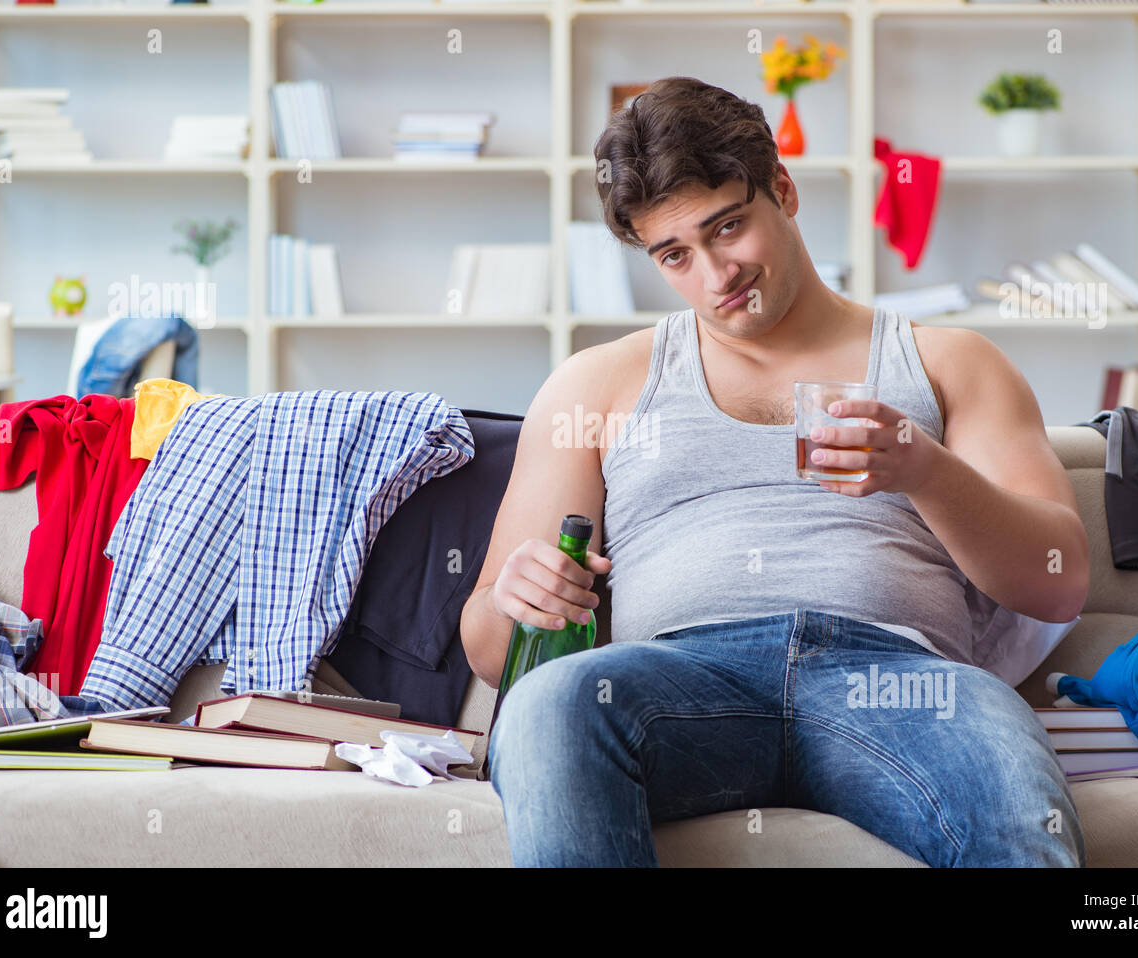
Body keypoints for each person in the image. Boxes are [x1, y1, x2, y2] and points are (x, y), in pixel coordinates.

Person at [458, 76, 1089, 868]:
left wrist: (924, 471)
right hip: (675, 684)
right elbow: (488, 645)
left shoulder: (948, 361)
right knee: (549, 705)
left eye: (728, 227)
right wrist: (519, 596)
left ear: (782, 190)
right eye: (676, 254)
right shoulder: (596, 383)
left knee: (1017, 801)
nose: (716, 275)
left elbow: (1058, 581)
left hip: (898, 681)